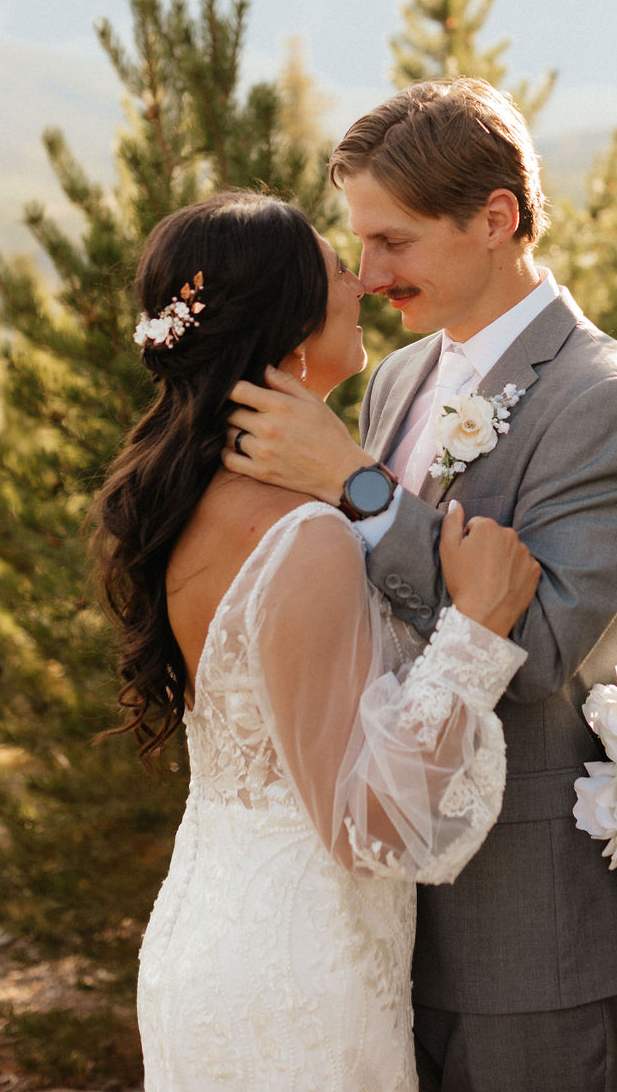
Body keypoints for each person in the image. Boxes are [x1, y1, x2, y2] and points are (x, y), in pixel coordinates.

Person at [224, 80, 617, 1092]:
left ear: (496, 219)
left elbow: (543, 648)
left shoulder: (605, 401)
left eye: (394, 242)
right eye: (359, 242)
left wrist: (355, 483)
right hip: (376, 907)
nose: (366, 273)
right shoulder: (396, 380)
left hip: (527, 931)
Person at [90, 188, 542, 1092]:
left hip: (212, 927)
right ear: (292, 328)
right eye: (340, 268)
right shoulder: (304, 535)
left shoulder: (196, 498)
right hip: (297, 963)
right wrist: (476, 633)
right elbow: (365, 823)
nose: (364, 283)